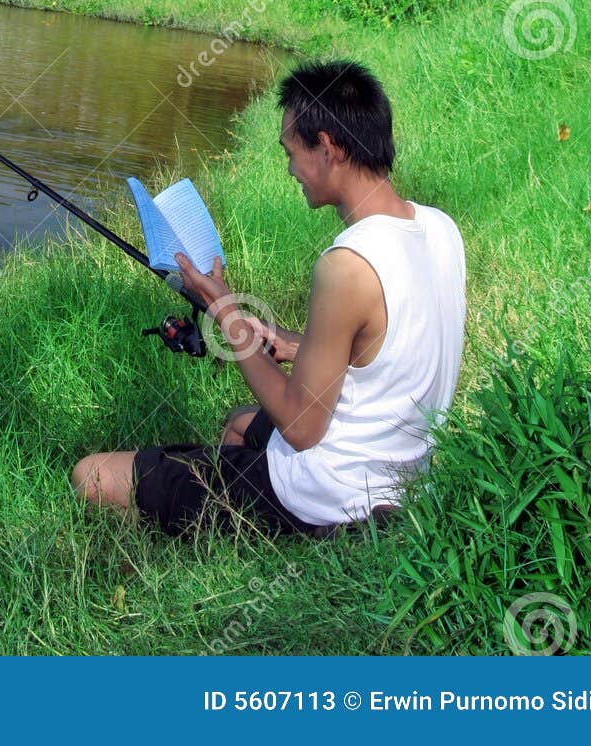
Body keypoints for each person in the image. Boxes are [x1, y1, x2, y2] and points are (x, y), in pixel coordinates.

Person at [70, 59, 466, 536]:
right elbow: (389, 345)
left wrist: (227, 315)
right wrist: (289, 343)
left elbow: (301, 428)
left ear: (327, 147)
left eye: (290, 151)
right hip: (402, 479)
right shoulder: (439, 228)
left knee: (91, 477)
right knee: (239, 425)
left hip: (333, 497)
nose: (290, 170)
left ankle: (255, 520)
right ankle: (217, 524)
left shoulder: (348, 264)